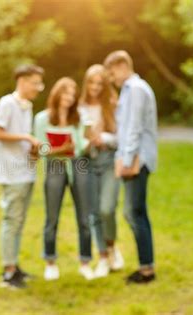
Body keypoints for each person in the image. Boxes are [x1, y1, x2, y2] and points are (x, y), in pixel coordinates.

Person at [34, 77, 105, 281]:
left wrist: (89, 142)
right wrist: (60, 149)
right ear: (57, 94)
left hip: (78, 166)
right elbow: (41, 149)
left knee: (85, 218)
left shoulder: (78, 119)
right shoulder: (42, 119)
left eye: (72, 95)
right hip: (55, 167)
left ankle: (85, 262)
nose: (69, 98)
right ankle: (50, 262)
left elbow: (81, 147)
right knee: (52, 218)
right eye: (65, 93)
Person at [104, 50, 157, 284]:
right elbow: (123, 131)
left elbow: (134, 129)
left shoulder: (135, 89)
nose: (111, 77)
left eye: (112, 71)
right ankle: (146, 266)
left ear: (123, 65)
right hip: (133, 157)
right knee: (137, 212)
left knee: (133, 213)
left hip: (137, 160)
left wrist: (125, 163)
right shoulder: (130, 90)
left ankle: (146, 270)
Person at [0, 64, 44, 289]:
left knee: (19, 221)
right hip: (12, 174)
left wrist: (33, 149)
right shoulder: (7, 103)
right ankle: (8, 274)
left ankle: (14, 265)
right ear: (22, 81)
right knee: (12, 220)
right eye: (35, 82)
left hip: (26, 171)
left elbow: (20, 140)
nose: (39, 88)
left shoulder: (27, 106)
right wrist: (27, 137)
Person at [78, 64, 123, 277]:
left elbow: (121, 137)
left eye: (100, 83)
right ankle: (103, 257)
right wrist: (85, 141)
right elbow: (75, 138)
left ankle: (112, 246)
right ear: (86, 83)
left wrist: (102, 137)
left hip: (108, 160)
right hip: (86, 161)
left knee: (107, 208)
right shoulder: (79, 108)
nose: (95, 87)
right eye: (92, 82)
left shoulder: (112, 105)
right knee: (93, 213)